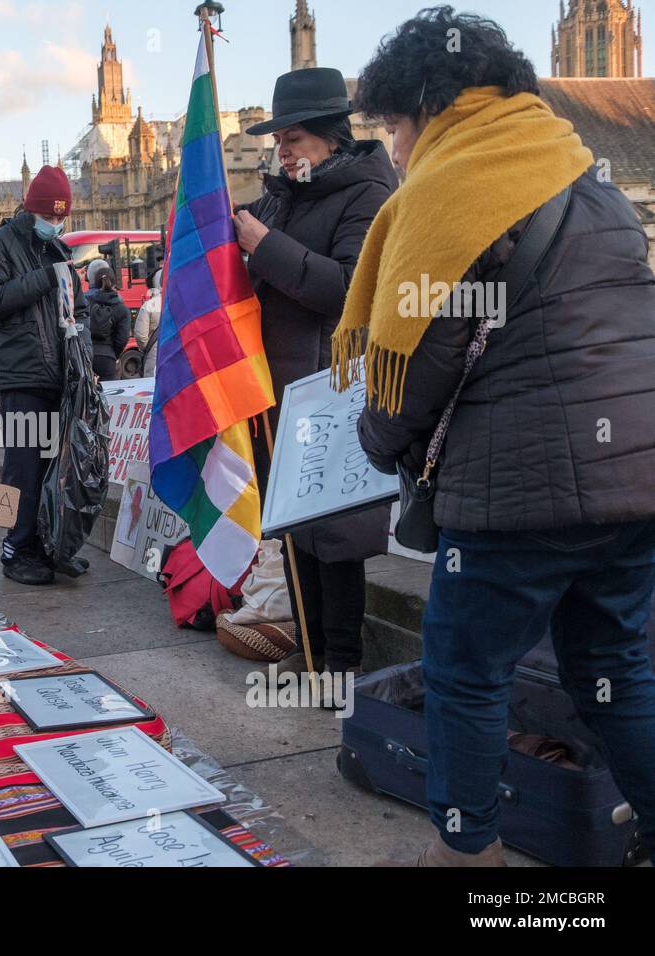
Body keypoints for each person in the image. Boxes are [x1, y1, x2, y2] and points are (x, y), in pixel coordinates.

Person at [344, 7, 655, 866]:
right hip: (636, 485)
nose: (396, 152)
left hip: (519, 496)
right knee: (617, 672)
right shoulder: (590, 186)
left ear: (431, 109)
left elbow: (417, 366)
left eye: (396, 128)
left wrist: (375, 439)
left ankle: (468, 860)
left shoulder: (458, 192)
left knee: (467, 676)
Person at [233, 66, 399, 681]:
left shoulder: (369, 192)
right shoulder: (282, 193)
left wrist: (264, 243)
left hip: (334, 389)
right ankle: (309, 653)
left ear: (332, 137)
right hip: (279, 390)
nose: (282, 151)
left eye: (293, 139)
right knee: (296, 531)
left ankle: (342, 666)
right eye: (278, 141)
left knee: (337, 537)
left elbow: (350, 289)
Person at [0, 165, 92, 586]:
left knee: (54, 468)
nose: (55, 225)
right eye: (50, 217)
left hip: (60, 377)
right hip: (21, 376)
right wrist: (42, 279)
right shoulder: (0, 245)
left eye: (62, 219)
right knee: (23, 467)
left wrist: (85, 361)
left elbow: (79, 311)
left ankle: (48, 545)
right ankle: (16, 549)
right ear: (32, 208)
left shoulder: (59, 250)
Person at [84, 258, 132, 382]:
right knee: (109, 397)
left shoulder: (83, 303)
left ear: (90, 278)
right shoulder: (121, 308)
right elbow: (122, 338)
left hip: (84, 356)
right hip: (108, 358)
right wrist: (112, 354)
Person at [134, 269, 163, 376]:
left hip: (154, 359)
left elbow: (140, 335)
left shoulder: (149, 305)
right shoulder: (180, 302)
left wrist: (148, 348)